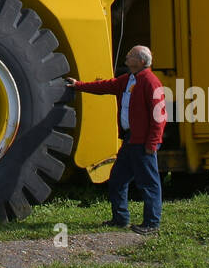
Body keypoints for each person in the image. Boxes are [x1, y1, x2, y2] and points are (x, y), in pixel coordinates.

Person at [65, 45, 165, 235]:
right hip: (130, 140)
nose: (127, 57)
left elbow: (159, 116)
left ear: (141, 61)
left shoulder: (151, 82)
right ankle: (120, 219)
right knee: (118, 179)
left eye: (132, 55)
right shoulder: (128, 79)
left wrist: (153, 143)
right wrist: (79, 85)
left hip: (143, 143)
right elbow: (105, 86)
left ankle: (152, 223)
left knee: (149, 183)